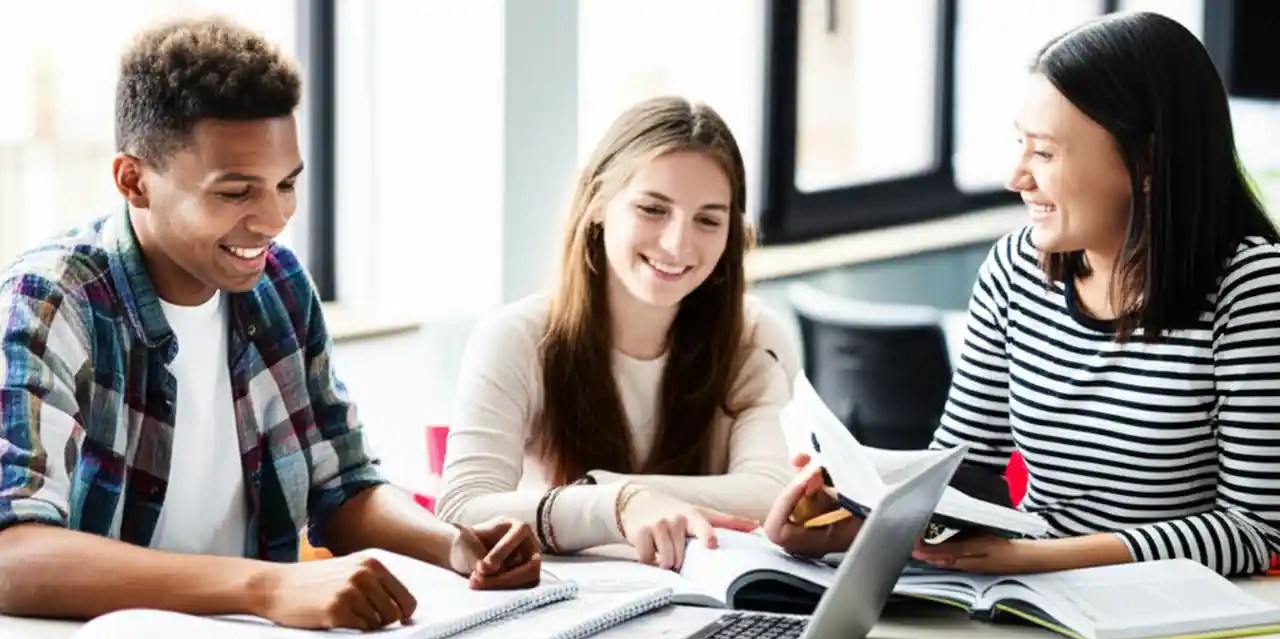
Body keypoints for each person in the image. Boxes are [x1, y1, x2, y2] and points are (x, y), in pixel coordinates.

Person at [0, 17, 540, 631]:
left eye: (285, 185)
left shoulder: (279, 285)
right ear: (133, 180)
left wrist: (454, 545)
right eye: (235, 193)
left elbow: (344, 487)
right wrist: (267, 587)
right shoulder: (51, 299)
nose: (272, 219)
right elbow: (14, 556)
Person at [765, 11, 1280, 576]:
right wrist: (854, 528)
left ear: (1147, 163)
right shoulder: (1015, 268)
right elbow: (964, 469)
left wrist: (1041, 559)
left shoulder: (1250, 286)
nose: (1017, 177)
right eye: (1021, 144)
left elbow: (1254, 528)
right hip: (1031, 597)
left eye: (1045, 152)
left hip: (1178, 618)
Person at [436, 97, 801, 571]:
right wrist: (618, 504)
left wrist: (603, 488)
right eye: (653, 209)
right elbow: (461, 512)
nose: (677, 244)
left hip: (709, 610)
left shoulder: (756, 337)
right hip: (563, 610)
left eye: (708, 220)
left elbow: (770, 493)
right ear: (598, 205)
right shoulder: (515, 339)